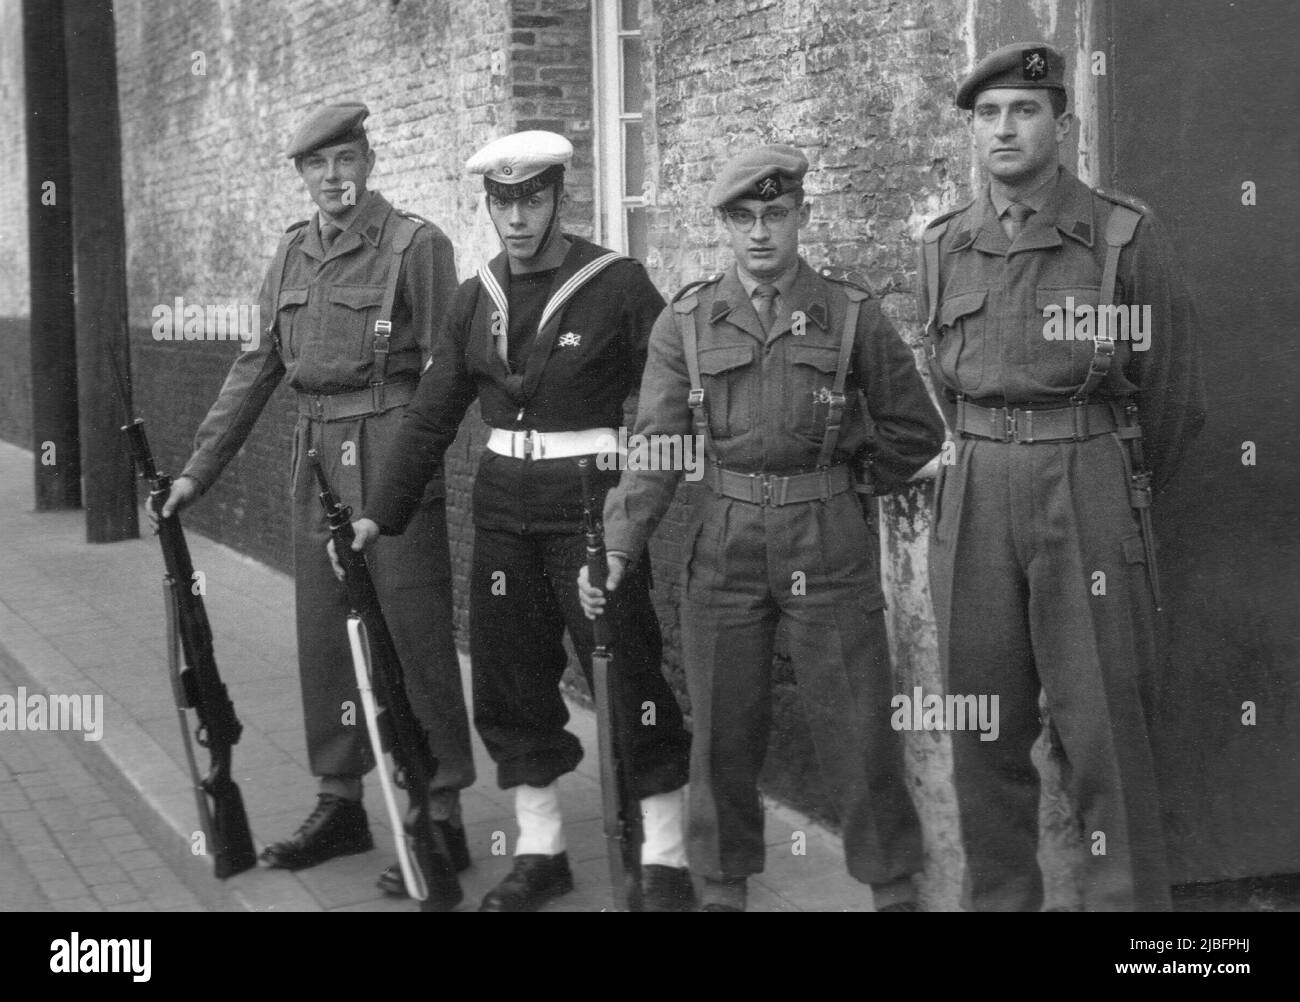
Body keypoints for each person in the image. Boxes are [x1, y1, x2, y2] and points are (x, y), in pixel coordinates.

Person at [580, 144, 944, 912]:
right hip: (727, 536)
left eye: (775, 215)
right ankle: (720, 889)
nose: (759, 233)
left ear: (802, 216)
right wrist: (619, 545)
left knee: (858, 727)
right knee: (721, 731)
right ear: (723, 224)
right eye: (743, 217)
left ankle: (892, 890)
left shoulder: (850, 314)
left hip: (829, 537)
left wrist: (845, 482)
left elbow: (915, 432)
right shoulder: (685, 321)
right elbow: (654, 450)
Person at [344, 130, 694, 912]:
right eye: (501, 200)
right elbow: (431, 420)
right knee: (508, 680)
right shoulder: (475, 299)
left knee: (630, 672)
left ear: (558, 196)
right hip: (502, 509)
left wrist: (641, 500)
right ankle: (541, 852)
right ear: (488, 205)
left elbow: (672, 400)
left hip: (589, 511)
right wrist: (378, 517)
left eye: (531, 196)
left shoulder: (619, 285)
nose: (517, 215)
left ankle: (665, 855)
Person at [153, 102, 474, 906]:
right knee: (326, 639)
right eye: (316, 167)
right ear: (302, 175)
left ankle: (441, 813)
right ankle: (341, 803)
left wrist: (409, 473)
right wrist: (198, 471)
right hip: (317, 456)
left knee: (413, 635)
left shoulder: (416, 246)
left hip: (392, 448)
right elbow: (256, 363)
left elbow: (447, 373)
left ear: (368, 158)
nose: (333, 179)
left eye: (345, 161)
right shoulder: (292, 253)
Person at [919, 43, 1206, 911]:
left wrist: (1109, 488)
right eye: (988, 114)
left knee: (1105, 735)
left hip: (1088, 489)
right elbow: (942, 374)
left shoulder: (1123, 237)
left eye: (1025, 110)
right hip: (974, 493)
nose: (1004, 129)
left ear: (1063, 123)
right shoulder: (943, 244)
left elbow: (1174, 401)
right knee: (982, 729)